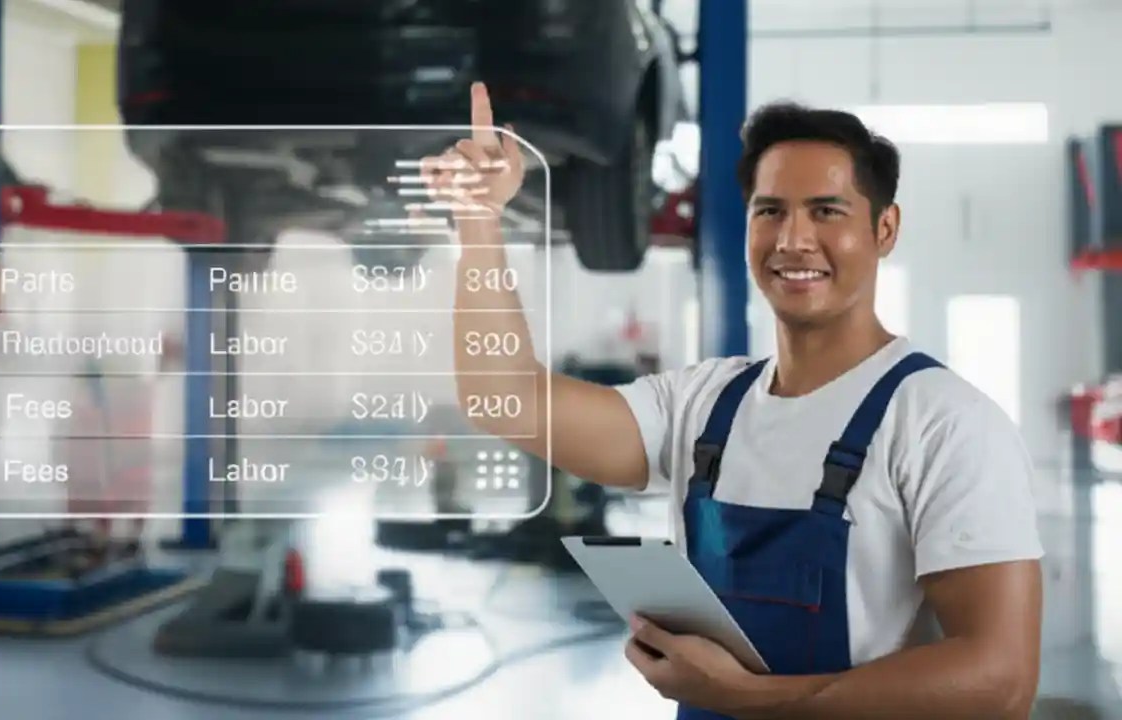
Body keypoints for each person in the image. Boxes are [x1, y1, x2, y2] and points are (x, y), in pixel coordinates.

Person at [428, 82, 1044, 719]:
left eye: (826, 211)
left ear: (884, 229)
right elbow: (504, 399)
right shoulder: (702, 404)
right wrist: (479, 220)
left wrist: (744, 698)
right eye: (770, 210)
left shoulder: (945, 424)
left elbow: (999, 684)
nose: (793, 239)